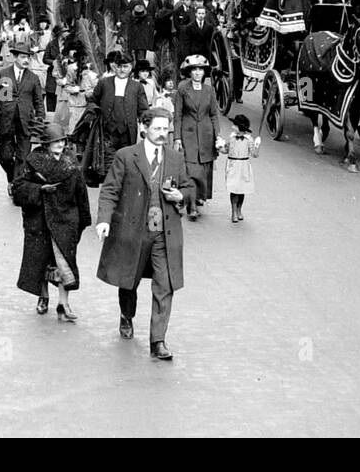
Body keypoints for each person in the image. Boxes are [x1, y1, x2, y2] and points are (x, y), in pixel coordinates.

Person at [95, 108, 197, 360]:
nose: (163, 134)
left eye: (166, 129)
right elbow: (110, 190)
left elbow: (189, 185)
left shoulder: (174, 158)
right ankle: (126, 315)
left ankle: (158, 341)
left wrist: (181, 195)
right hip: (133, 232)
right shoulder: (126, 156)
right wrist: (104, 221)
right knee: (129, 280)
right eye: (157, 129)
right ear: (144, 128)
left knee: (165, 285)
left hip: (164, 233)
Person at [12, 122, 92, 321]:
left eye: (62, 140)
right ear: (46, 144)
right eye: (55, 141)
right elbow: (18, 188)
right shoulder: (33, 162)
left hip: (66, 219)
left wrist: (83, 219)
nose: (59, 144)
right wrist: (39, 190)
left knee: (65, 262)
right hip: (39, 219)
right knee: (40, 259)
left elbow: (81, 193)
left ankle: (63, 303)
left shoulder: (71, 162)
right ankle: (43, 296)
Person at [0, 37, 45, 196]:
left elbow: (39, 102)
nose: (26, 60)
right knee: (4, 156)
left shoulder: (33, 78)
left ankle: (16, 186)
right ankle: (11, 177)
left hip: (26, 123)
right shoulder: (2, 75)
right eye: (23, 57)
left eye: (28, 57)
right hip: (5, 121)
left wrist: (40, 121)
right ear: (15, 57)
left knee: (23, 157)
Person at [173, 54, 221, 220]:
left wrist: (217, 136)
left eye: (201, 69)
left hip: (206, 136)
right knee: (191, 170)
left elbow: (214, 114)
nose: (198, 73)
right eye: (194, 69)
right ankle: (192, 206)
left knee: (203, 170)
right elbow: (177, 115)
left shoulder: (209, 90)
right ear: (189, 72)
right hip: (189, 135)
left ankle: (198, 198)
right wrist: (177, 138)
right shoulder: (182, 89)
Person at [89, 49, 147, 179]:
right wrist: (94, 111)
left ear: (131, 68)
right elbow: (93, 100)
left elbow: (143, 110)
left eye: (125, 67)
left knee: (127, 161)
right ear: (114, 66)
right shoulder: (104, 83)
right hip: (107, 131)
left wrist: (144, 128)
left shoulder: (137, 87)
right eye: (119, 66)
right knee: (109, 162)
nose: (121, 70)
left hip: (127, 132)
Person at [224, 113, 260, 224]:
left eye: (234, 125)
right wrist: (220, 146)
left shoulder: (249, 140)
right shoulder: (231, 138)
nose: (232, 127)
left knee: (241, 189)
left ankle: (239, 209)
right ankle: (233, 211)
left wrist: (257, 145)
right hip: (233, 165)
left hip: (243, 166)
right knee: (233, 189)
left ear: (240, 127)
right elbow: (226, 150)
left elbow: (254, 154)